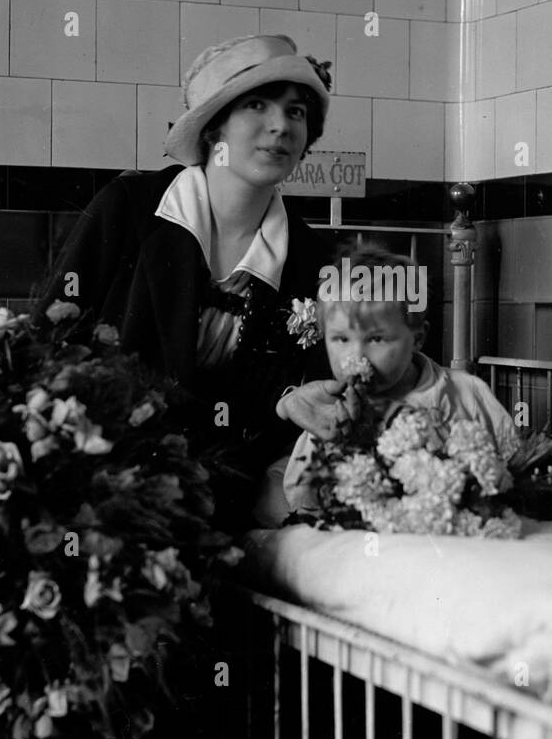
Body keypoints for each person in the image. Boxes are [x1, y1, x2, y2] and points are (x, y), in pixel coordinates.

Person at [34, 33, 349, 528]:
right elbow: (47, 343)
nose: (279, 126)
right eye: (257, 105)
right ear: (213, 128)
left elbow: (293, 398)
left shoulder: (314, 259)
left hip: (227, 512)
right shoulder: (130, 209)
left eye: (296, 111)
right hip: (100, 496)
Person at [283, 248, 518, 514]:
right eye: (341, 339)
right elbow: (301, 497)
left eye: (376, 339)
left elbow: (514, 466)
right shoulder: (331, 413)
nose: (356, 356)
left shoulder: (467, 393)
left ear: (417, 338)